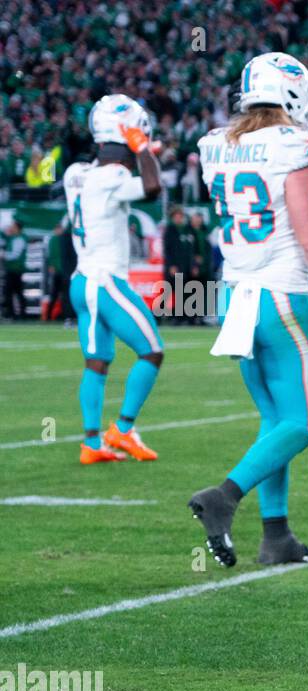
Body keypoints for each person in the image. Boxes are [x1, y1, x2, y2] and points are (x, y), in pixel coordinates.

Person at [188, 52, 308, 567]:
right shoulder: (294, 144)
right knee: (306, 422)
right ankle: (223, 497)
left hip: (235, 299)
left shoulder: (216, 145)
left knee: (275, 420)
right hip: (279, 296)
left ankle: (277, 538)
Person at [61, 95, 165, 464]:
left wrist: (141, 152)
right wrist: (143, 152)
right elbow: (153, 188)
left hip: (81, 281)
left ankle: (91, 444)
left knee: (96, 363)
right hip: (106, 281)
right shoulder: (115, 177)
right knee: (152, 351)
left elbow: (110, 172)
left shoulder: (75, 173)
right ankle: (122, 429)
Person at [2, 217, 27, 320]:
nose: (11, 228)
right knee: (14, 292)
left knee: (13, 292)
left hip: (15, 269)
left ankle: (14, 314)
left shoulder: (19, 239)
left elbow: (15, 255)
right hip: (13, 269)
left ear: (17, 228)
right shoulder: (13, 238)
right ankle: (15, 314)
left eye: (13, 226)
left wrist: (3, 255)